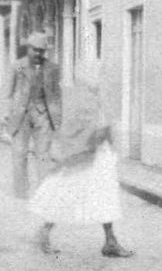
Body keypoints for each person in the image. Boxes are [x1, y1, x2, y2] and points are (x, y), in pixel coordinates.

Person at [29, 74, 133, 257]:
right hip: (86, 156)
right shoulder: (85, 101)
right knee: (67, 192)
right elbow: (91, 129)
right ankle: (43, 233)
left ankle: (110, 241)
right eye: (96, 78)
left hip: (97, 155)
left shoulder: (94, 99)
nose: (99, 83)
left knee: (105, 195)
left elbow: (102, 127)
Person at [4, 32, 61, 199]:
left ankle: (43, 193)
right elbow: (7, 92)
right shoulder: (17, 66)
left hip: (43, 115)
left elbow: (57, 95)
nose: (38, 54)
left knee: (43, 155)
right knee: (19, 154)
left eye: (42, 51)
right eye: (35, 50)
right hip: (20, 117)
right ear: (28, 48)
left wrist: (57, 119)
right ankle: (21, 193)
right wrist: (5, 114)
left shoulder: (53, 68)